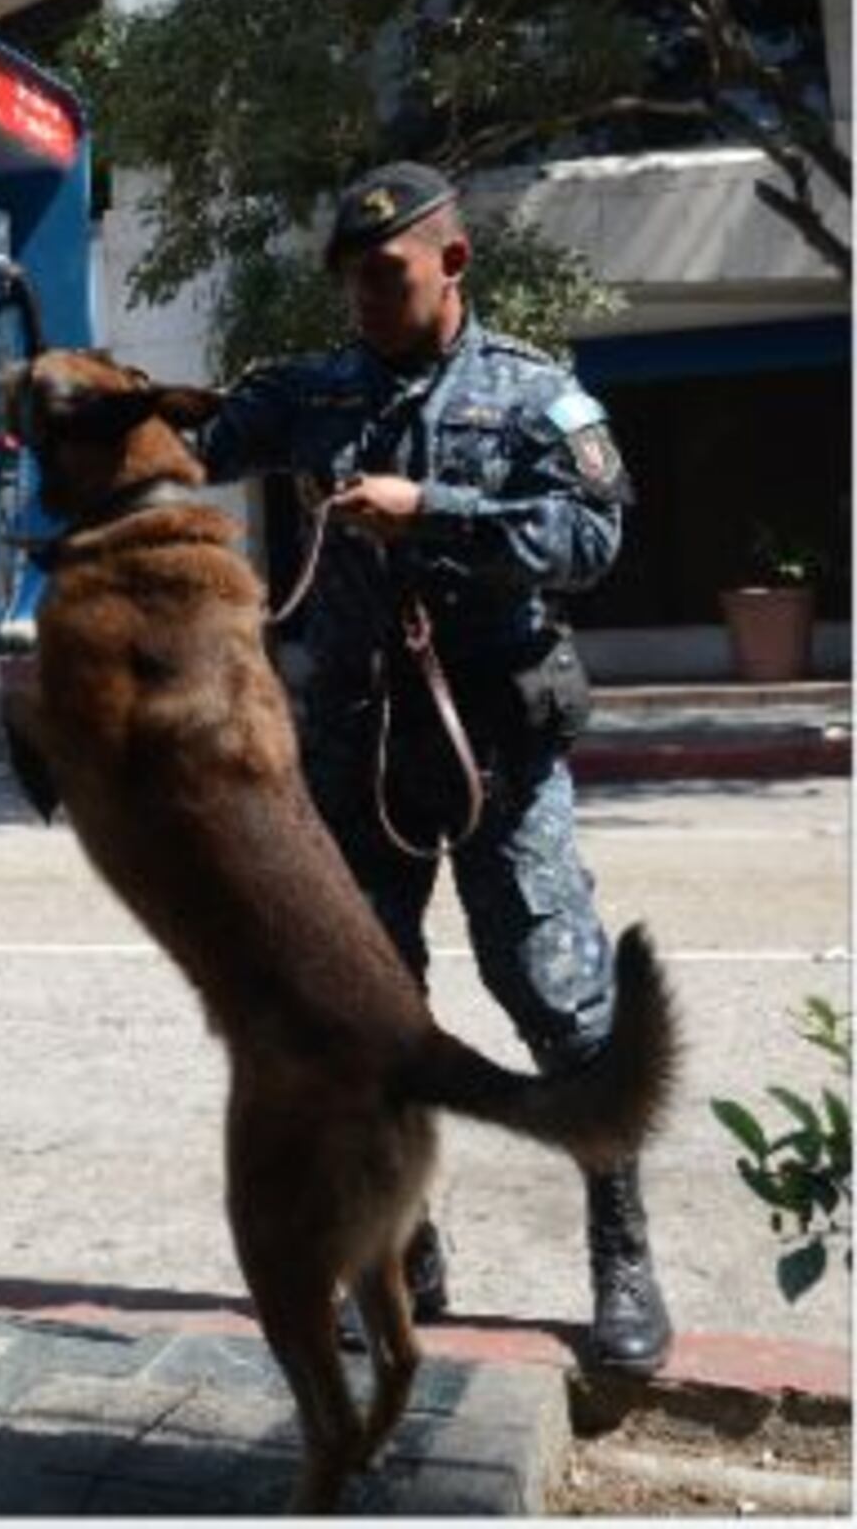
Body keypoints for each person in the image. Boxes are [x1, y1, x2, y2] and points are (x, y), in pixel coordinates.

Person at [200, 160, 673, 1375]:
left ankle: (622, 1260)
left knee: (560, 1001)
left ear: (451, 262)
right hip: (360, 761)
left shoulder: (531, 395)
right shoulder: (314, 393)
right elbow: (197, 439)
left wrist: (437, 510)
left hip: (496, 756)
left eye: (384, 273)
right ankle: (406, 1250)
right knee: (367, 1017)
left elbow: (593, 537)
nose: (361, 295)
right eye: (349, 278)